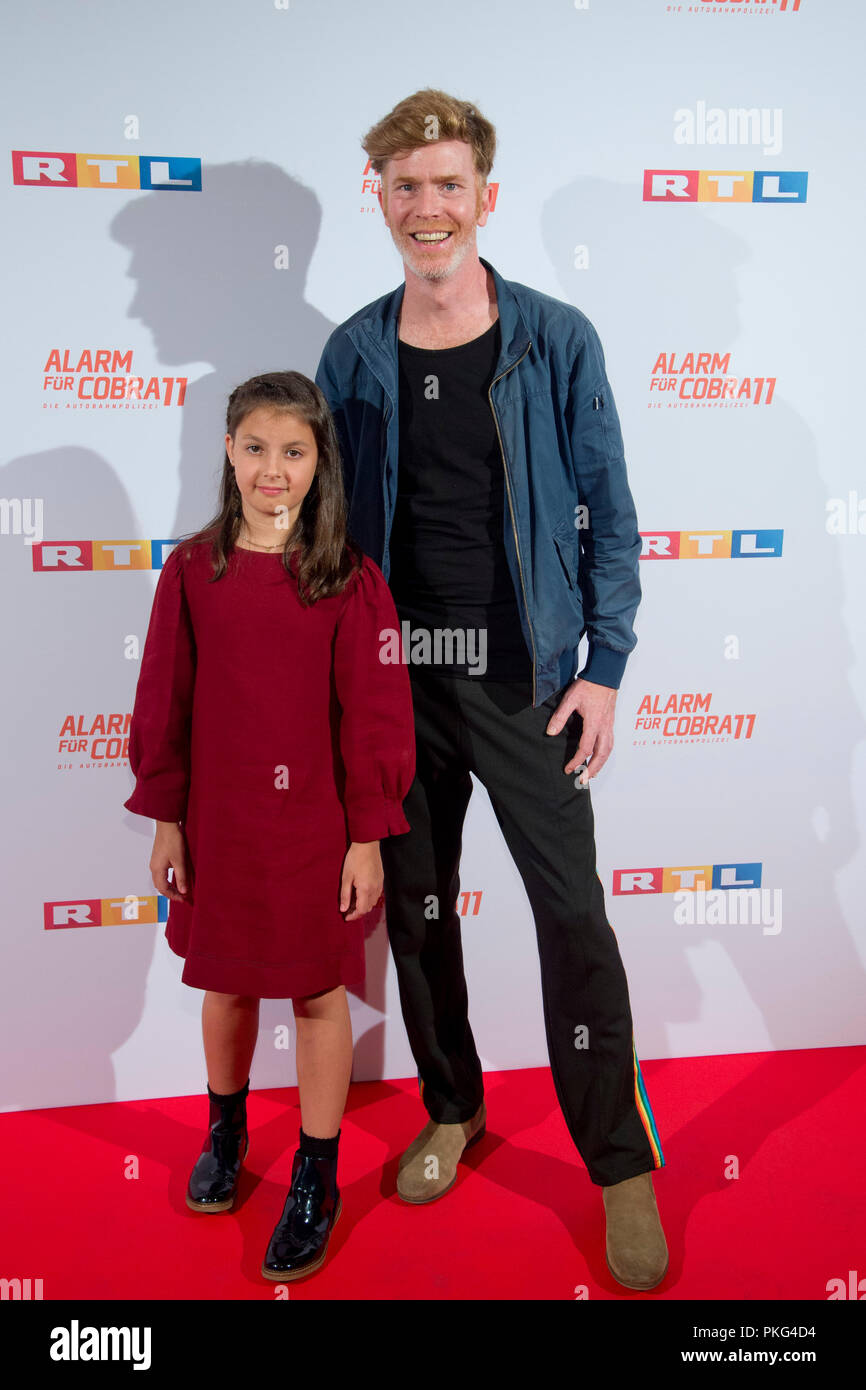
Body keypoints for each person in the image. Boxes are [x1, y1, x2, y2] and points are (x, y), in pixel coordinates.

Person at [315, 90, 668, 1291]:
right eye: (404, 185)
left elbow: (610, 515)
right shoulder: (353, 352)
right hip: (396, 687)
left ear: (484, 198)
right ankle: (452, 1109)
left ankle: (618, 1162)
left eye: (446, 184)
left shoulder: (555, 337)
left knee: (572, 919)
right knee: (416, 919)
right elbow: (329, 536)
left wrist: (606, 670)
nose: (427, 207)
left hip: (525, 681)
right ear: (380, 196)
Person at [122, 371, 415, 1282]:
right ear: (227, 453)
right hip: (221, 826)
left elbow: (373, 714)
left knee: (320, 997)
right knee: (230, 989)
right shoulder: (192, 571)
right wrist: (167, 820)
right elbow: (162, 704)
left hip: (315, 834)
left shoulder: (351, 582)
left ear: (320, 461)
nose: (274, 471)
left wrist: (366, 834)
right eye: (256, 449)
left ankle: (316, 1178)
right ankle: (227, 1131)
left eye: (294, 452)